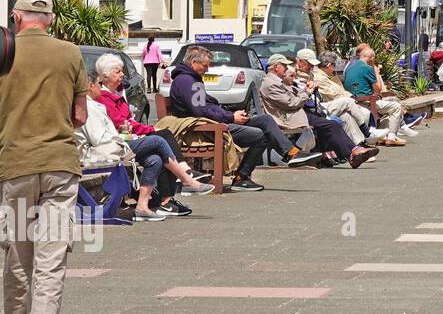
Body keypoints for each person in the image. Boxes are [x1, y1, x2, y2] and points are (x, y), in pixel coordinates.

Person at [0, 0, 89, 314]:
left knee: (18, 250)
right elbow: (81, 116)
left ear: (17, 17)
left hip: (16, 165)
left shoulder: (5, 53)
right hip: (59, 164)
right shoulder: (69, 53)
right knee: (51, 255)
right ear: (50, 19)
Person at [169, 45, 317, 192]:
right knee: (260, 135)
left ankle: (290, 153)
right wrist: (231, 117)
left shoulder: (190, 79)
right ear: (194, 63)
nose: (207, 70)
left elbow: (205, 107)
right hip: (206, 129)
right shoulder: (188, 81)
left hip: (215, 122)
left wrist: (232, 113)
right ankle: (241, 178)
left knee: (264, 120)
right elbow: (201, 111)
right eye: (205, 66)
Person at [92, 54, 213, 216]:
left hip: (127, 140)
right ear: (105, 77)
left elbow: (127, 123)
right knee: (159, 139)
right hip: (116, 145)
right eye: (117, 72)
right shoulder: (104, 99)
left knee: (156, 157)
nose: (122, 74)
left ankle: (145, 205)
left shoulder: (118, 95)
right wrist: (148, 130)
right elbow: (121, 124)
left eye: (122, 71)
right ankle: (185, 179)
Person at [264, 54, 375, 169]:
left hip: (297, 112)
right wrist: (307, 92)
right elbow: (291, 103)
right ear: (276, 67)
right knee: (330, 125)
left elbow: (293, 98)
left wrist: (306, 89)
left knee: (331, 124)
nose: (287, 69)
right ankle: (352, 152)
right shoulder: (271, 83)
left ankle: (351, 153)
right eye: (284, 66)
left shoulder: (277, 81)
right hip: (290, 116)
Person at [300, 49, 377, 146]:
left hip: (322, 106)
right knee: (350, 104)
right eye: (333, 65)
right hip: (319, 108)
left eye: (313, 65)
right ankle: (367, 134)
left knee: (348, 115)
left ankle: (359, 145)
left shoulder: (317, 75)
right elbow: (333, 94)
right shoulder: (316, 77)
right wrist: (353, 98)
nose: (312, 67)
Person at [343, 44, 411, 147]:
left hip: (353, 99)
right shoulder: (368, 68)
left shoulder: (349, 67)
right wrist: (376, 72)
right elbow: (378, 89)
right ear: (372, 58)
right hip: (366, 102)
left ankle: (382, 136)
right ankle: (391, 137)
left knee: (387, 103)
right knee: (395, 106)